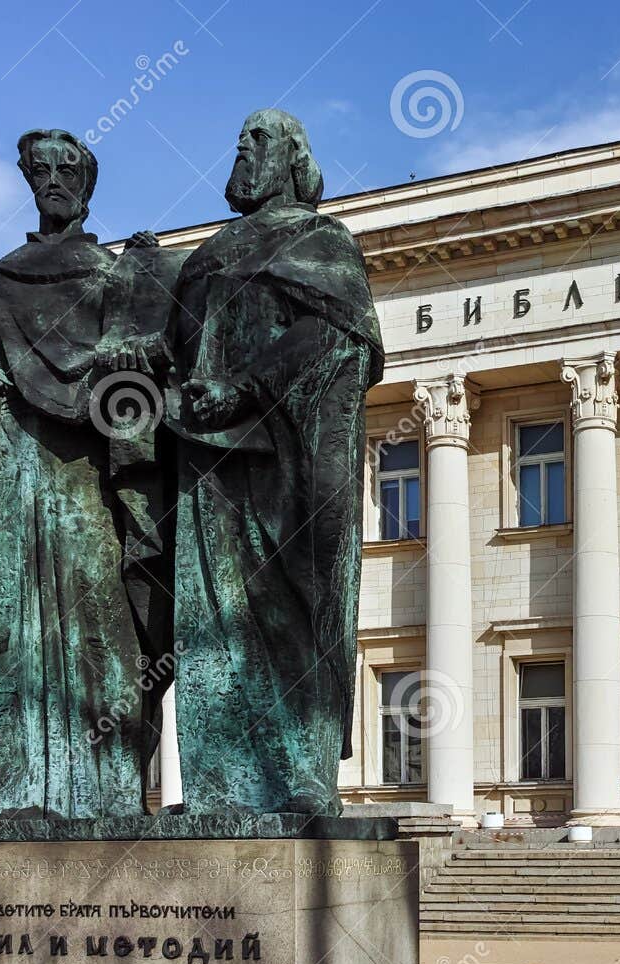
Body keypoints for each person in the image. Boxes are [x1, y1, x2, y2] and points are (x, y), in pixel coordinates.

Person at [0, 128, 181, 820]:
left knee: (105, 636)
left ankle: (110, 799)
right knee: (17, 637)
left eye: (69, 170)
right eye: (43, 170)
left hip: (92, 486)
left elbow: (147, 381)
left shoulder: (118, 279)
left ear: (87, 187)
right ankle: (19, 791)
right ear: (29, 183)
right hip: (14, 480)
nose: (56, 180)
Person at [148, 108, 384, 815]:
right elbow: (175, 342)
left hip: (283, 455)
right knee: (213, 620)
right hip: (207, 460)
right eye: (241, 139)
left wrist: (245, 384)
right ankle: (219, 786)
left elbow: (340, 337)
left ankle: (297, 780)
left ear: (292, 159)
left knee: (288, 609)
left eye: (260, 140)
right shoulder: (207, 257)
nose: (244, 148)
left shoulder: (324, 242)